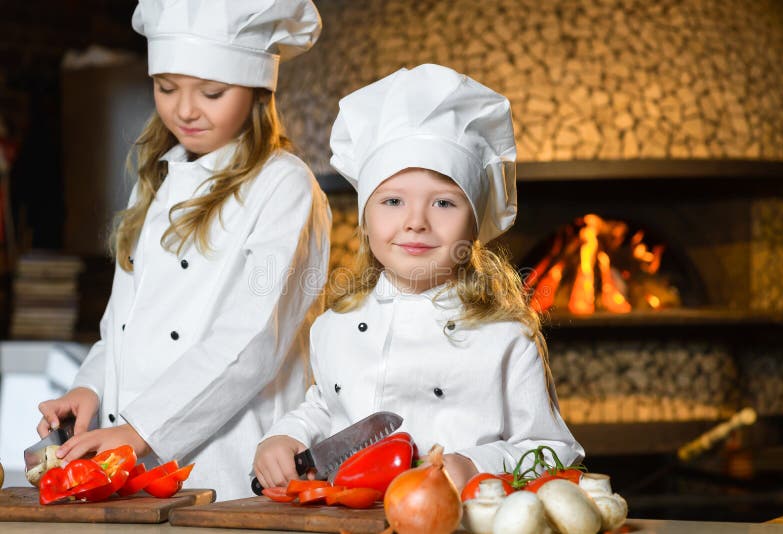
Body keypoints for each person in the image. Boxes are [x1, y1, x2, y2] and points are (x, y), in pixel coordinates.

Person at [35, 0, 331, 501]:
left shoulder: (284, 186)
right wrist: (89, 389)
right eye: (166, 87)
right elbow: (119, 329)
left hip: (225, 466)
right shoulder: (155, 182)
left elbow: (251, 338)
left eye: (212, 92)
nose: (185, 109)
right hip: (127, 455)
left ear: (259, 89)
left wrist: (142, 430)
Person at [253, 63, 583, 492]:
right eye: (392, 200)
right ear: (366, 220)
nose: (415, 223)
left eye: (444, 203)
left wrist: (474, 465)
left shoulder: (505, 338)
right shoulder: (333, 326)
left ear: (474, 226)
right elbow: (326, 404)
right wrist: (285, 435)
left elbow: (554, 449)